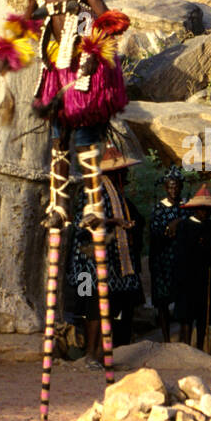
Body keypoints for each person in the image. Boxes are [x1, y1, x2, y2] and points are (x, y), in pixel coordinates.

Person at [0, 0, 132, 390]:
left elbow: (112, 21)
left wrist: (93, 51)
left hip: (86, 74)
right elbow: (25, 33)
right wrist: (12, 49)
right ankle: (58, 202)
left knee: (86, 138)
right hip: (56, 78)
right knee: (57, 139)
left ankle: (91, 202)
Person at [66, 147, 143, 354]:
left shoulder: (116, 193)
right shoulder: (93, 190)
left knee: (103, 306)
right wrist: (114, 221)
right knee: (89, 306)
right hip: (86, 261)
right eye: (123, 170)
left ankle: (99, 352)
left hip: (105, 261)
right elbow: (83, 221)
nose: (126, 173)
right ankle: (88, 353)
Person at [173, 184, 211, 350]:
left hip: (206, 276)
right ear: (194, 209)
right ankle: (186, 348)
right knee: (187, 316)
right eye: (201, 208)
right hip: (187, 277)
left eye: (208, 209)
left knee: (204, 315)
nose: (204, 212)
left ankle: (200, 349)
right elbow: (181, 252)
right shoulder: (184, 226)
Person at [148, 165, 188, 342]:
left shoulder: (186, 207)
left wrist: (176, 224)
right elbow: (157, 234)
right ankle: (166, 339)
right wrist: (169, 229)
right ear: (165, 187)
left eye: (177, 186)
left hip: (181, 259)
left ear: (181, 187)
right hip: (161, 260)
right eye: (170, 186)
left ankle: (183, 339)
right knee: (163, 301)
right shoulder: (158, 209)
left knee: (182, 298)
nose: (174, 189)